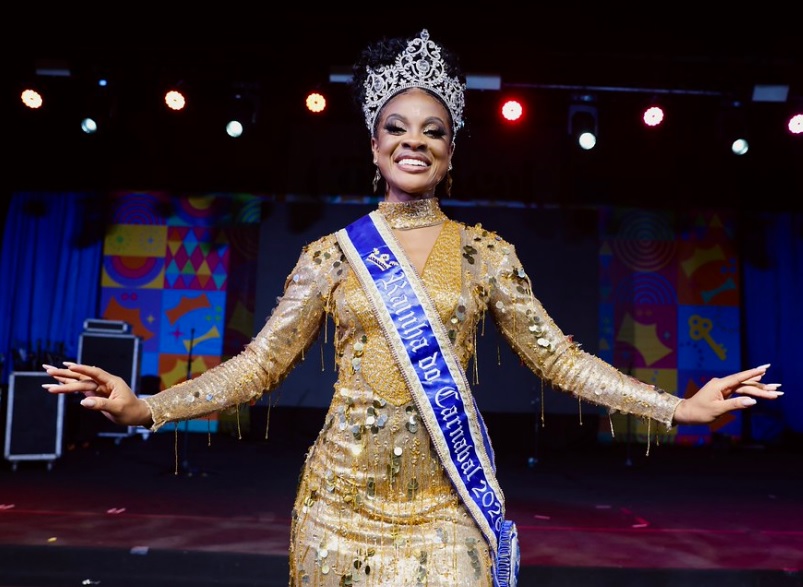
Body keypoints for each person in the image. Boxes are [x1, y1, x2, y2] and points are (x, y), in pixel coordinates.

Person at [42, 28, 782, 587]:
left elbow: (559, 359)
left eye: (434, 130)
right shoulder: (331, 255)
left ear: (452, 152)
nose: (414, 142)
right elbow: (259, 364)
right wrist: (145, 408)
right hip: (337, 503)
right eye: (396, 128)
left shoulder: (486, 253)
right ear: (373, 147)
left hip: (446, 505)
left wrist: (679, 407)